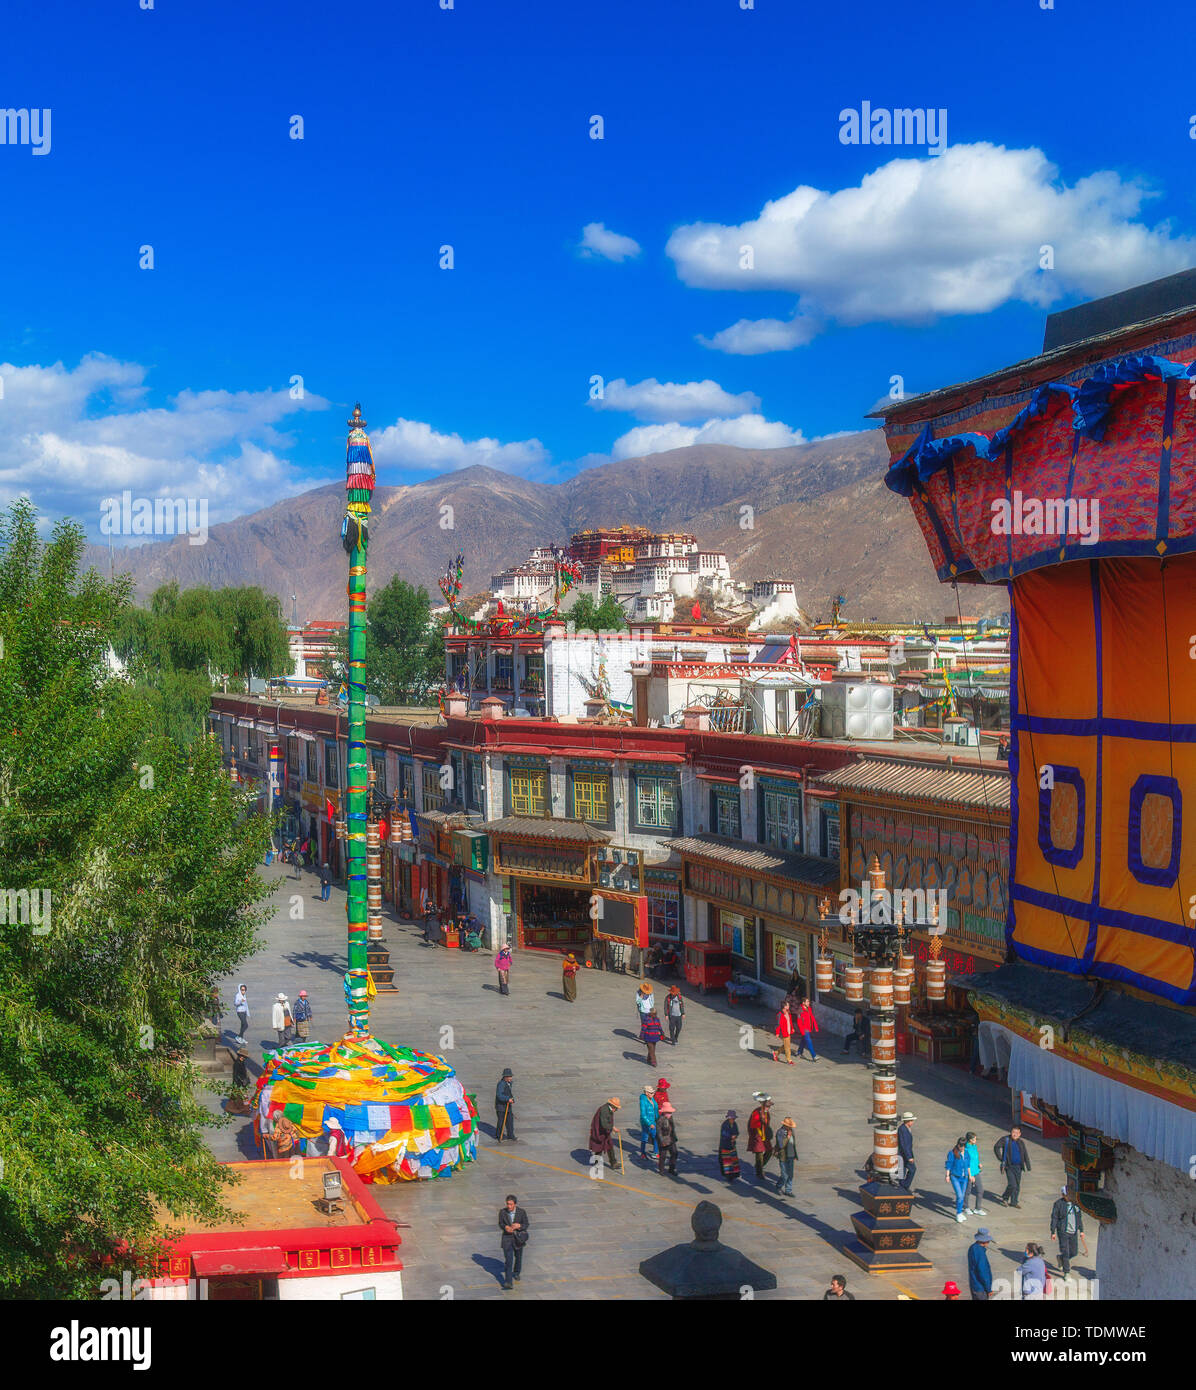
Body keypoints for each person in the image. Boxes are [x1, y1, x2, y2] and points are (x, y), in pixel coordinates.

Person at [1050, 1187, 1088, 1276]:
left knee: (1074, 1252)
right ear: (1063, 1195)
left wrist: (1081, 1230)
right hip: (1063, 1231)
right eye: (1066, 1195)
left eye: (1069, 1195)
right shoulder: (1058, 1204)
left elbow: (1079, 1218)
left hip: (1073, 1232)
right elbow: (1054, 1218)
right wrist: (1053, 1231)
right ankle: (1066, 1272)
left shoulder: (1076, 1204)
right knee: (1065, 1252)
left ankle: (1061, 1258)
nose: (1068, 1197)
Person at [995, 1125, 1032, 1207]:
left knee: (1017, 1185)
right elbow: (996, 1147)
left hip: (1018, 1167)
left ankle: (1014, 1202)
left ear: (1019, 1134)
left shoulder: (1021, 1142)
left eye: (1016, 1133)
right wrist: (1001, 1158)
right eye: (1013, 1132)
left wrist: (1028, 1165)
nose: (1014, 1134)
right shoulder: (1005, 1139)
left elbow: (1025, 1154)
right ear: (1011, 1133)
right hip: (1009, 1166)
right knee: (1012, 1184)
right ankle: (1005, 1197)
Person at [498, 1194, 530, 1290]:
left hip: (518, 1239)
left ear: (515, 1204)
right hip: (507, 1239)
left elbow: (526, 1224)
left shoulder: (521, 1212)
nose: (509, 1206)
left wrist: (519, 1225)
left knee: (518, 1257)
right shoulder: (502, 1212)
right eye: (508, 1204)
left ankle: (516, 1272)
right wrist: (505, 1227)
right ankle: (508, 1282)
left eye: (511, 1204)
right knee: (508, 1261)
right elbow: (501, 1223)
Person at [589, 1097, 621, 1173]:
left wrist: (612, 1127)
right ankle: (597, 1164)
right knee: (599, 1148)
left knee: (610, 1146)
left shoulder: (609, 1109)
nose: (616, 1110)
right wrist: (612, 1128)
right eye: (616, 1108)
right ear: (613, 1106)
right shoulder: (604, 1110)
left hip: (605, 1131)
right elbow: (604, 1124)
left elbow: (608, 1121)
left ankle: (613, 1163)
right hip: (599, 1131)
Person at [747, 1093, 773, 1182]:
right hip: (757, 1135)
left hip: (765, 1135)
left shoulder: (766, 1112)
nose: (770, 1105)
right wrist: (760, 1121)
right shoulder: (756, 1112)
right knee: (759, 1153)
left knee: (769, 1150)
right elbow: (752, 1125)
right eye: (769, 1102)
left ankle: (760, 1166)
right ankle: (759, 1172)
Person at [945, 1137, 971, 1222]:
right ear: (958, 1145)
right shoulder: (952, 1153)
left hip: (964, 1178)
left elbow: (968, 1166)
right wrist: (947, 1175)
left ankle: (960, 1212)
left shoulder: (966, 1153)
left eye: (963, 1146)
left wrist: (970, 1176)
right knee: (959, 1195)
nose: (962, 1147)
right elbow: (949, 1164)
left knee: (961, 1196)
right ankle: (958, 1214)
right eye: (960, 1146)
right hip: (955, 1176)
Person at [964, 1131, 987, 1215]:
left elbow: (976, 1157)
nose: (975, 1140)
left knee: (980, 1190)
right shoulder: (966, 1149)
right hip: (969, 1173)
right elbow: (967, 1163)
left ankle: (978, 1208)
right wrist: (970, 1175)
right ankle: (966, 1207)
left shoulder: (975, 1146)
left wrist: (979, 1163)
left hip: (976, 1171)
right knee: (968, 1191)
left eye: (976, 1139)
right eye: (974, 1139)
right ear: (969, 1139)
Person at [968, 1227, 994, 1301]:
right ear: (985, 1240)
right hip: (980, 1288)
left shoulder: (972, 1247)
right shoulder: (980, 1253)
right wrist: (988, 1289)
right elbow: (983, 1272)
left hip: (974, 1284)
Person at [774, 1116, 798, 1197]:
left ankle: (788, 1190)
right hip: (783, 1156)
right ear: (785, 1125)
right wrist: (787, 1137)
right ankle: (778, 1186)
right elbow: (781, 1145)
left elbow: (793, 1144)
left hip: (791, 1155)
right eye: (789, 1127)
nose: (790, 1128)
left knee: (790, 1174)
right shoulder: (780, 1132)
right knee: (784, 1175)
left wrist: (795, 1154)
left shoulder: (791, 1131)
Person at [656, 1101, 678, 1176]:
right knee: (663, 1155)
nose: (670, 1114)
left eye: (670, 1112)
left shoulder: (670, 1118)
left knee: (674, 1153)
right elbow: (658, 1132)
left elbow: (672, 1128)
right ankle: (661, 1170)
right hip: (664, 1139)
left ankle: (672, 1168)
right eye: (668, 1112)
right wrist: (662, 1141)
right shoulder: (660, 1120)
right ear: (664, 1112)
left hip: (671, 1139)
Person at [495, 1068, 517, 1142]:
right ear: (505, 1077)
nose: (511, 1078)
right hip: (501, 1107)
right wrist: (507, 1099)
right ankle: (499, 1135)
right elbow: (499, 1095)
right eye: (509, 1077)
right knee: (501, 1122)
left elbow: (509, 1092)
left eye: (511, 1076)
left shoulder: (509, 1083)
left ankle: (511, 1135)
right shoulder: (501, 1084)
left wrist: (512, 1099)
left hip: (507, 1105)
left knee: (510, 1120)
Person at [718, 1110, 741, 1182]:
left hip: (732, 1145)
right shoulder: (725, 1124)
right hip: (725, 1145)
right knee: (726, 1162)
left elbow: (737, 1132)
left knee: (733, 1161)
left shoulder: (735, 1124)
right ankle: (728, 1176)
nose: (732, 1120)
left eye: (733, 1119)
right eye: (731, 1119)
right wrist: (731, 1137)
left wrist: (735, 1135)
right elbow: (724, 1134)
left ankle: (733, 1175)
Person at [896, 1112, 916, 1191]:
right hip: (904, 1155)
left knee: (902, 1171)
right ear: (908, 1121)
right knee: (912, 1169)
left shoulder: (905, 1128)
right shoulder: (903, 1129)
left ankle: (902, 1185)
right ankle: (904, 1185)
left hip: (905, 1154)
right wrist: (909, 1157)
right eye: (912, 1121)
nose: (913, 1122)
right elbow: (904, 1145)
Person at [772, 1000, 795, 1065]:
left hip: (788, 1031)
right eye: (787, 1005)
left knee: (786, 1045)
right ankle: (789, 1060)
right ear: (784, 1006)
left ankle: (776, 1053)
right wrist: (777, 1033)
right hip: (784, 1033)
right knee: (787, 1047)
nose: (789, 1006)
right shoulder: (780, 1015)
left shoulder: (788, 1012)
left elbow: (790, 1021)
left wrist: (792, 1028)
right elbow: (778, 1025)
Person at [638, 1084, 658, 1159]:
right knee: (645, 1138)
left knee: (656, 1136)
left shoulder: (652, 1099)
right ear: (646, 1093)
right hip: (646, 1123)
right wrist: (649, 1124)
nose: (653, 1094)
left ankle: (656, 1152)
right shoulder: (643, 1101)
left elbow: (655, 1110)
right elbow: (643, 1115)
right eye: (651, 1093)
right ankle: (642, 1153)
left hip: (653, 1121)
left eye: (653, 1092)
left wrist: (658, 1119)